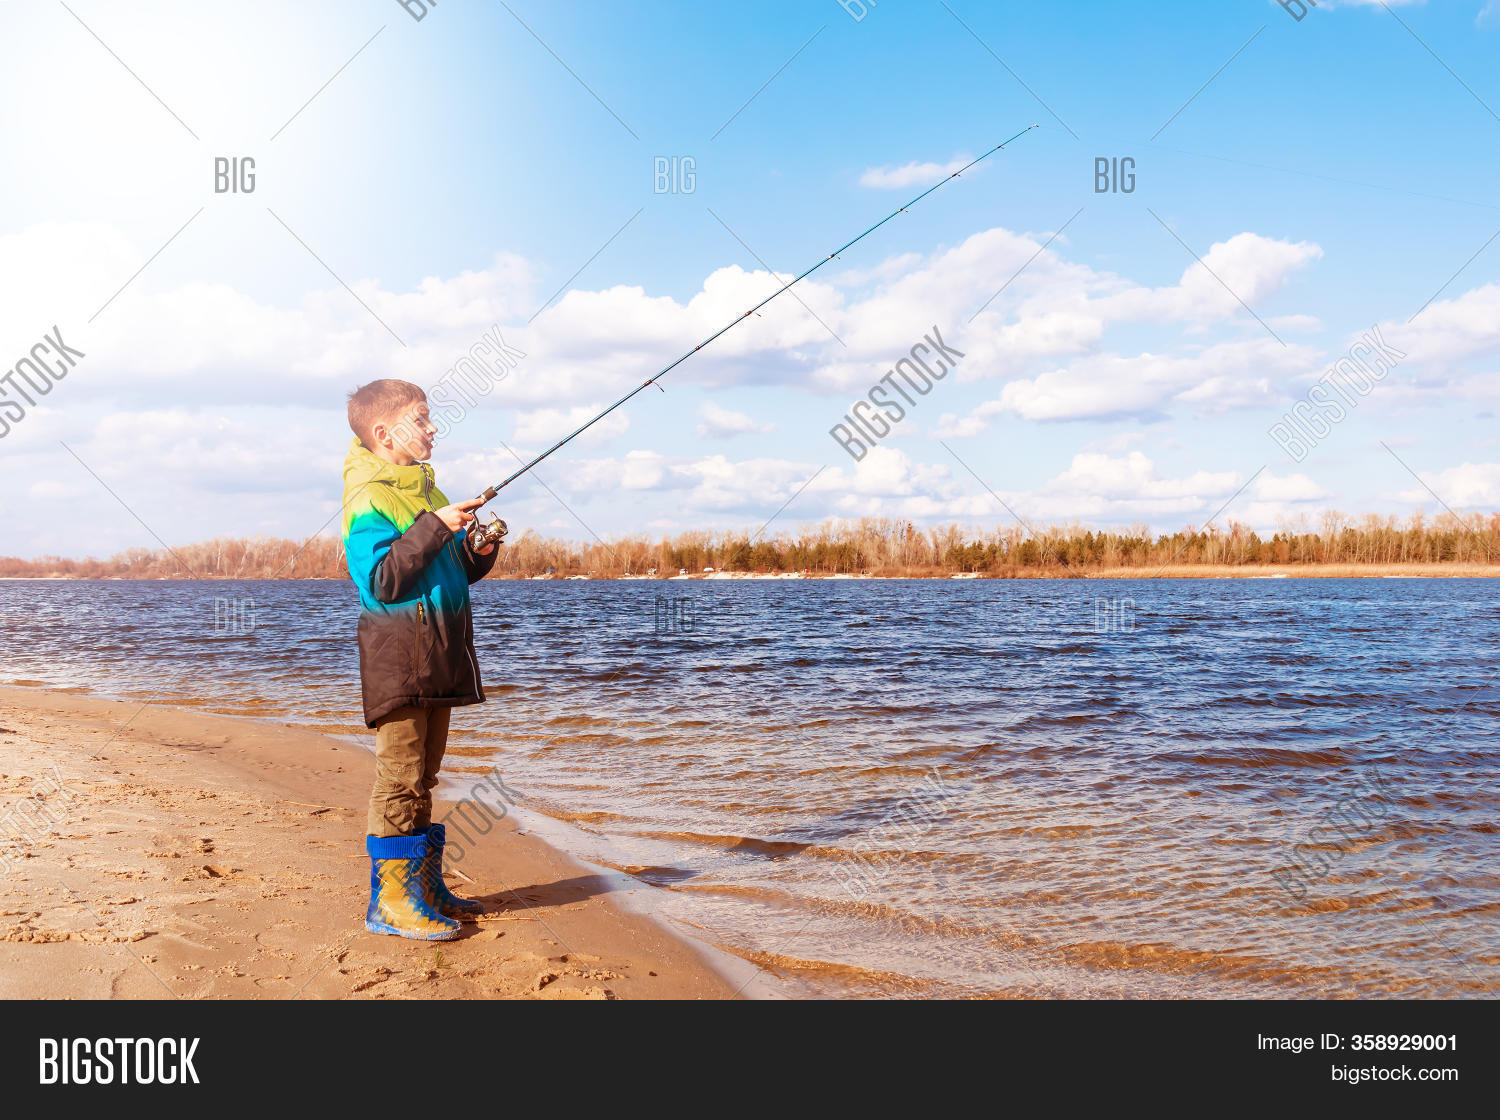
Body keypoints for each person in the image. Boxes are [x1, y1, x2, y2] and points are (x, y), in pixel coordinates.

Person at [341, 379, 498, 940]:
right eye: (423, 419)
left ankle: (422, 888)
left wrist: (477, 549)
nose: (433, 429)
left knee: (424, 776)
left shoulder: (427, 490)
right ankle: (390, 903)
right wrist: (436, 527)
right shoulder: (369, 496)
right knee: (400, 779)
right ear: (384, 433)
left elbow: (443, 567)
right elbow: (383, 579)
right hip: (399, 656)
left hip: (439, 655)